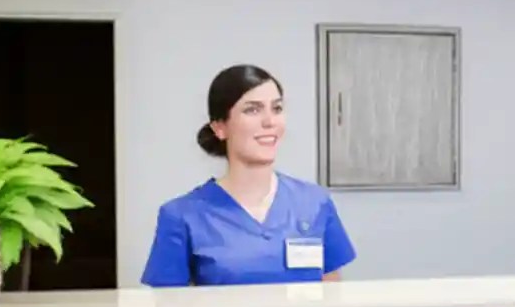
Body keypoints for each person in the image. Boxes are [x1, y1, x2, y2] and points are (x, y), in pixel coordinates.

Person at [141, 64, 356, 287]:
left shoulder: (314, 203)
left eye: (277, 108)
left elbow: (332, 301)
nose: (269, 121)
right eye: (252, 110)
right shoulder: (181, 216)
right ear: (220, 127)